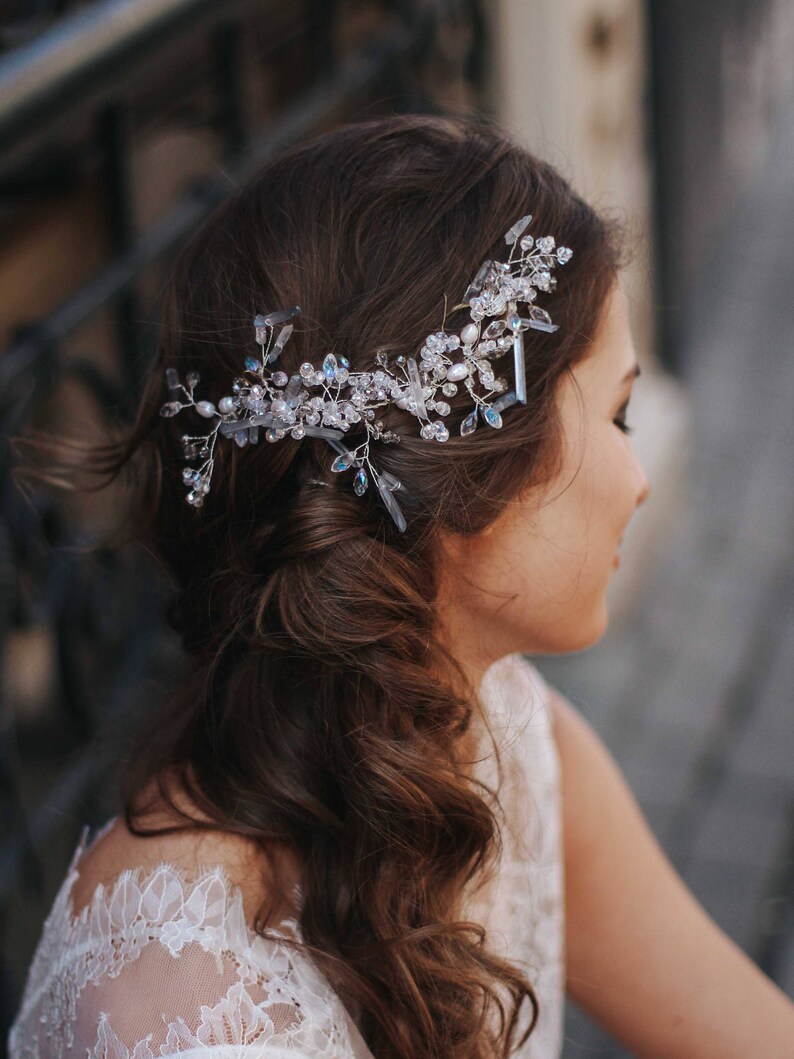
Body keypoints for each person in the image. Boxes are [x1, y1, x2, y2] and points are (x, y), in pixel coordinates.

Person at [7, 115, 794, 1059]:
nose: (640, 477)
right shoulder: (187, 1015)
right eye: (618, 414)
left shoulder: (505, 736)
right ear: (467, 471)